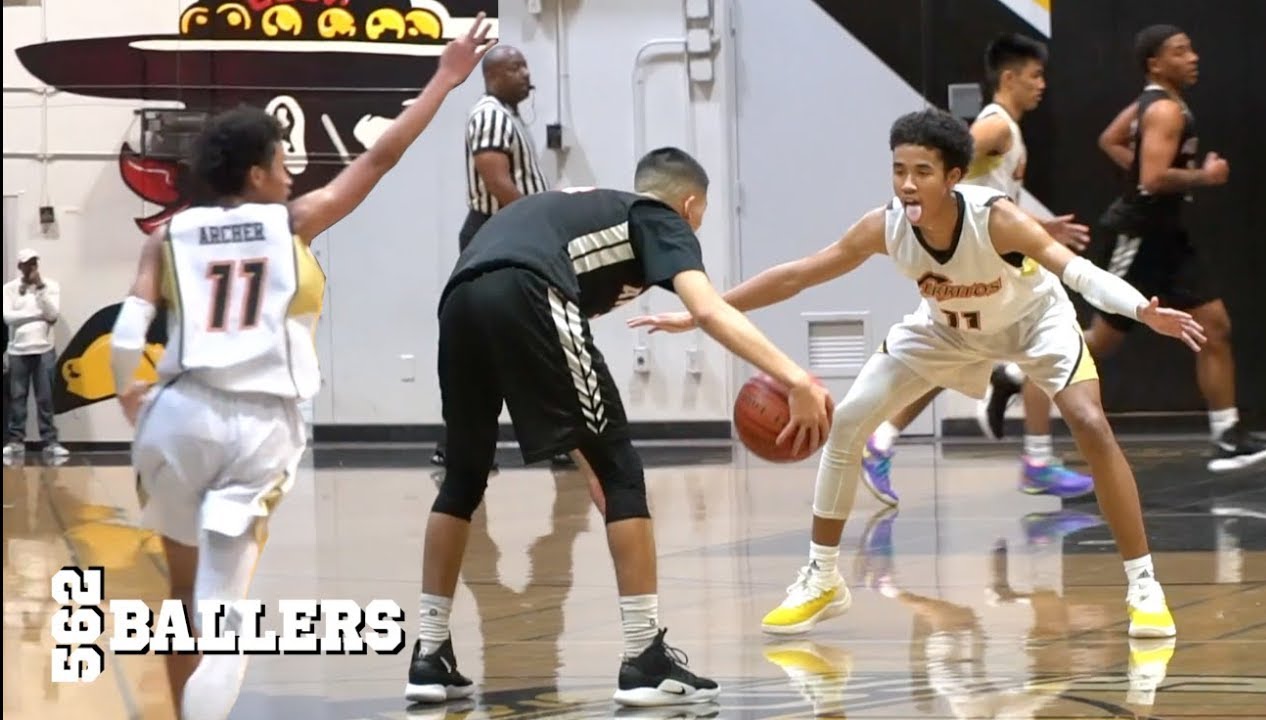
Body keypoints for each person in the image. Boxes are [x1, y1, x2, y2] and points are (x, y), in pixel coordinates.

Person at [630, 108, 1199, 640]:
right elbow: (797, 276)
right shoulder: (884, 226)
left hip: (1034, 323)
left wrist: (1141, 310)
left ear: (953, 175)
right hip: (945, 330)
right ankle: (823, 577)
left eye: (921, 172)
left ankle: (1143, 586)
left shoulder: (997, 220)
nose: (906, 184)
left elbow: (1079, 273)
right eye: (898, 170)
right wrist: (705, 311)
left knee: (1088, 423)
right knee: (849, 419)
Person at [107, 17, 497, 720]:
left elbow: (130, 323)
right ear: (256, 174)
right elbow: (379, 160)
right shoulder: (291, 222)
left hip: (175, 418)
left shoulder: (171, 232)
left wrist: (127, 389)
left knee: (182, 597)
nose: (293, 169)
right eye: (283, 160)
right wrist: (444, 77)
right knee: (224, 617)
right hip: (256, 424)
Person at [406, 148, 833, 708]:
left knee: (462, 479)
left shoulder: (578, 212)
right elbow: (706, 309)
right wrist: (794, 377)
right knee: (625, 473)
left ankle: (430, 654)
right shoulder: (657, 217)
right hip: (528, 289)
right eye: (698, 219)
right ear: (689, 203)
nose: (692, 233)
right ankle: (644, 660)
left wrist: (589, 459)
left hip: (459, 297)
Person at [859, 34, 1093, 508]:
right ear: (1009, 78)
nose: (1041, 85)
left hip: (987, 255)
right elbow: (955, 153)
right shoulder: (998, 126)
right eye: (1035, 75)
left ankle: (887, 440)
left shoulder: (1007, 130)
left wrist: (1035, 226)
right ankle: (1032, 449)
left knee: (951, 361)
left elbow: (990, 192)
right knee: (1039, 339)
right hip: (970, 257)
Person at [1076, 25, 1266, 472]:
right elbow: (1151, 180)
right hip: (1137, 234)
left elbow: (1110, 139)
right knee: (1101, 341)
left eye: (1191, 50)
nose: (1193, 57)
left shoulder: (1154, 103)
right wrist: (1206, 177)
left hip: (1166, 235)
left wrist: (1143, 170)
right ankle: (1016, 375)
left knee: (1214, 326)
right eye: (1180, 52)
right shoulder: (1164, 109)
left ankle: (1226, 435)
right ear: (1155, 65)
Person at [433, 44, 569, 469]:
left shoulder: (504, 116)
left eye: (526, 65)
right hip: (496, 238)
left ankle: (465, 444)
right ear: (493, 75)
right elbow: (497, 181)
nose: (527, 74)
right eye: (516, 67)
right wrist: (533, 227)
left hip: (501, 237)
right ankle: (465, 444)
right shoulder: (490, 115)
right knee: (504, 340)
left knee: (495, 343)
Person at [3, 248, 68, 460]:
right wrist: (37, 316)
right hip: (17, 350)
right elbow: (8, 318)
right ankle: (15, 442)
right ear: (19, 266)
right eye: (26, 263)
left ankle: (50, 442)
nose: (30, 267)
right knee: (17, 397)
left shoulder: (51, 286)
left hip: (44, 350)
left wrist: (40, 289)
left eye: (33, 263)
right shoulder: (9, 289)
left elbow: (52, 314)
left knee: (45, 398)